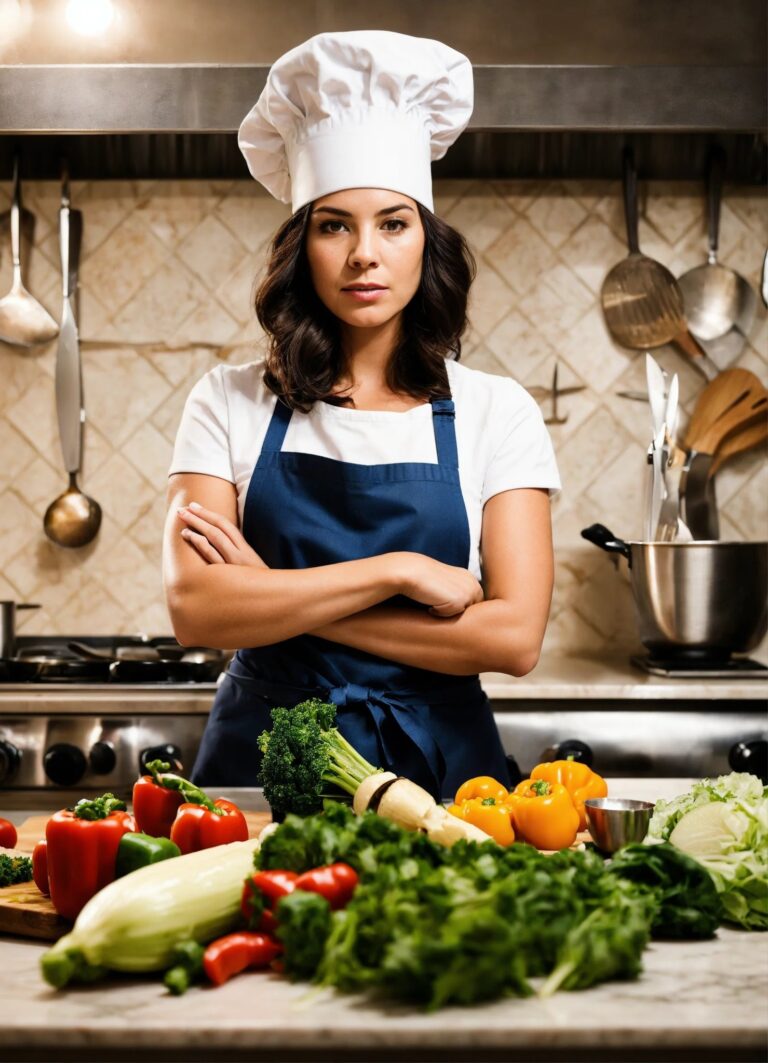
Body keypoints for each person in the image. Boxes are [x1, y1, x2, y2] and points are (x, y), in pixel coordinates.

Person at [163, 30, 561, 800]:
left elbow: (513, 638)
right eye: (334, 224)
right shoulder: (228, 399)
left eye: (393, 223)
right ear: (303, 246)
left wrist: (275, 595)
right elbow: (197, 609)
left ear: (426, 242)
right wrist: (397, 571)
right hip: (264, 766)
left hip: (443, 777)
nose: (364, 254)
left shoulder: (496, 410)